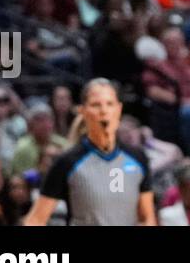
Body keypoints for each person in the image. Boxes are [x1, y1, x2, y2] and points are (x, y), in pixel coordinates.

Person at [23, 78, 157, 226]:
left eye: (110, 104)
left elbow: (147, 218)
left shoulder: (138, 157)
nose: (104, 111)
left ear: (119, 109)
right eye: (96, 105)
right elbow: (35, 219)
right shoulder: (67, 162)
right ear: (82, 111)